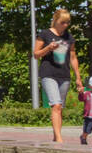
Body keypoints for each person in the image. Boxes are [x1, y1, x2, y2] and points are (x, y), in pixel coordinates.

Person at [34, 7, 82, 143]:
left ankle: (56, 136)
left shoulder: (69, 37)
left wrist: (78, 77)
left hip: (64, 75)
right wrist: (48, 48)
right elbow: (36, 54)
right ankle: (60, 139)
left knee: (60, 108)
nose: (65, 25)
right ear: (55, 21)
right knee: (55, 105)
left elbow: (73, 57)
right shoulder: (45, 34)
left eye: (67, 22)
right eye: (63, 22)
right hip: (48, 74)